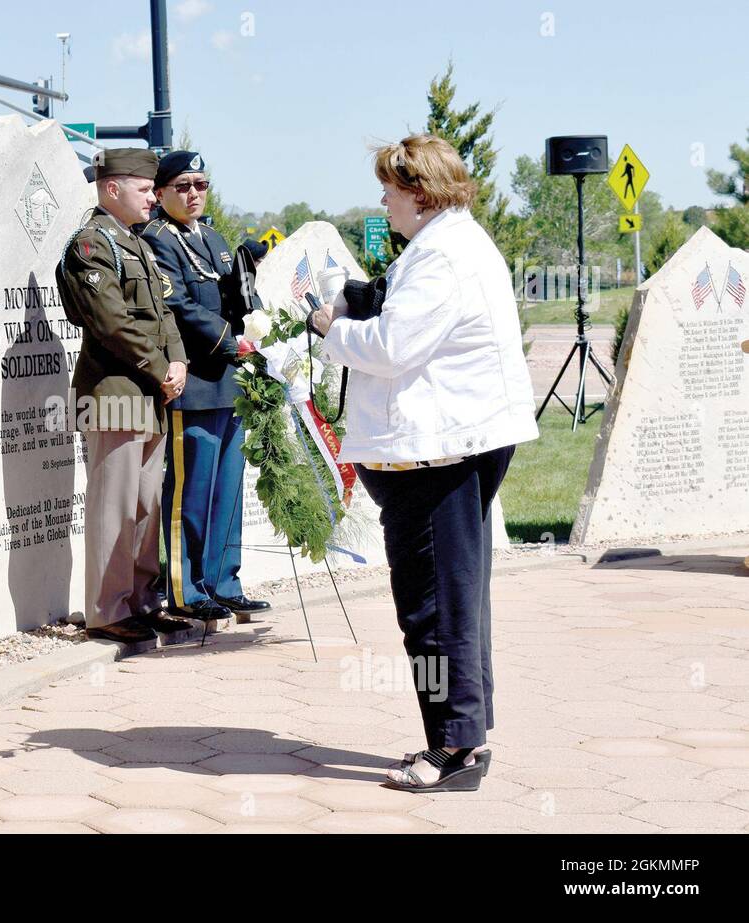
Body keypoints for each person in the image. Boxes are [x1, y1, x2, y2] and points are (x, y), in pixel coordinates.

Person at [308, 133, 538, 792]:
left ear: (419, 193)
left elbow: (392, 346)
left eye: (389, 190)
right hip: (449, 447)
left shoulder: (442, 256)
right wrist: (358, 297)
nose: (383, 202)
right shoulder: (449, 244)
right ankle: (463, 732)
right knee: (455, 600)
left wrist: (330, 329)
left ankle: (453, 748)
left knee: (433, 607)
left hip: (436, 455)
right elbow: (400, 308)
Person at [57, 147, 192, 644]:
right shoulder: (92, 244)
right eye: (144, 189)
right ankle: (108, 609)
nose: (153, 198)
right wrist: (161, 369)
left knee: (145, 505)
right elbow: (111, 323)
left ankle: (142, 601)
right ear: (112, 189)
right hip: (114, 390)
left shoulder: (136, 243)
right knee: (114, 506)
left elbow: (164, 314)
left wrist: (178, 362)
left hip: (149, 392)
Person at [142, 151, 270, 622]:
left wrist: (249, 295)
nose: (194, 193)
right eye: (183, 186)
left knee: (227, 492)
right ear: (161, 193)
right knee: (190, 494)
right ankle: (186, 590)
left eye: (201, 184)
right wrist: (232, 341)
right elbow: (177, 307)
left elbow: (232, 300)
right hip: (193, 383)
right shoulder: (157, 240)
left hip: (229, 383)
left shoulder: (213, 238)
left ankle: (223, 583)